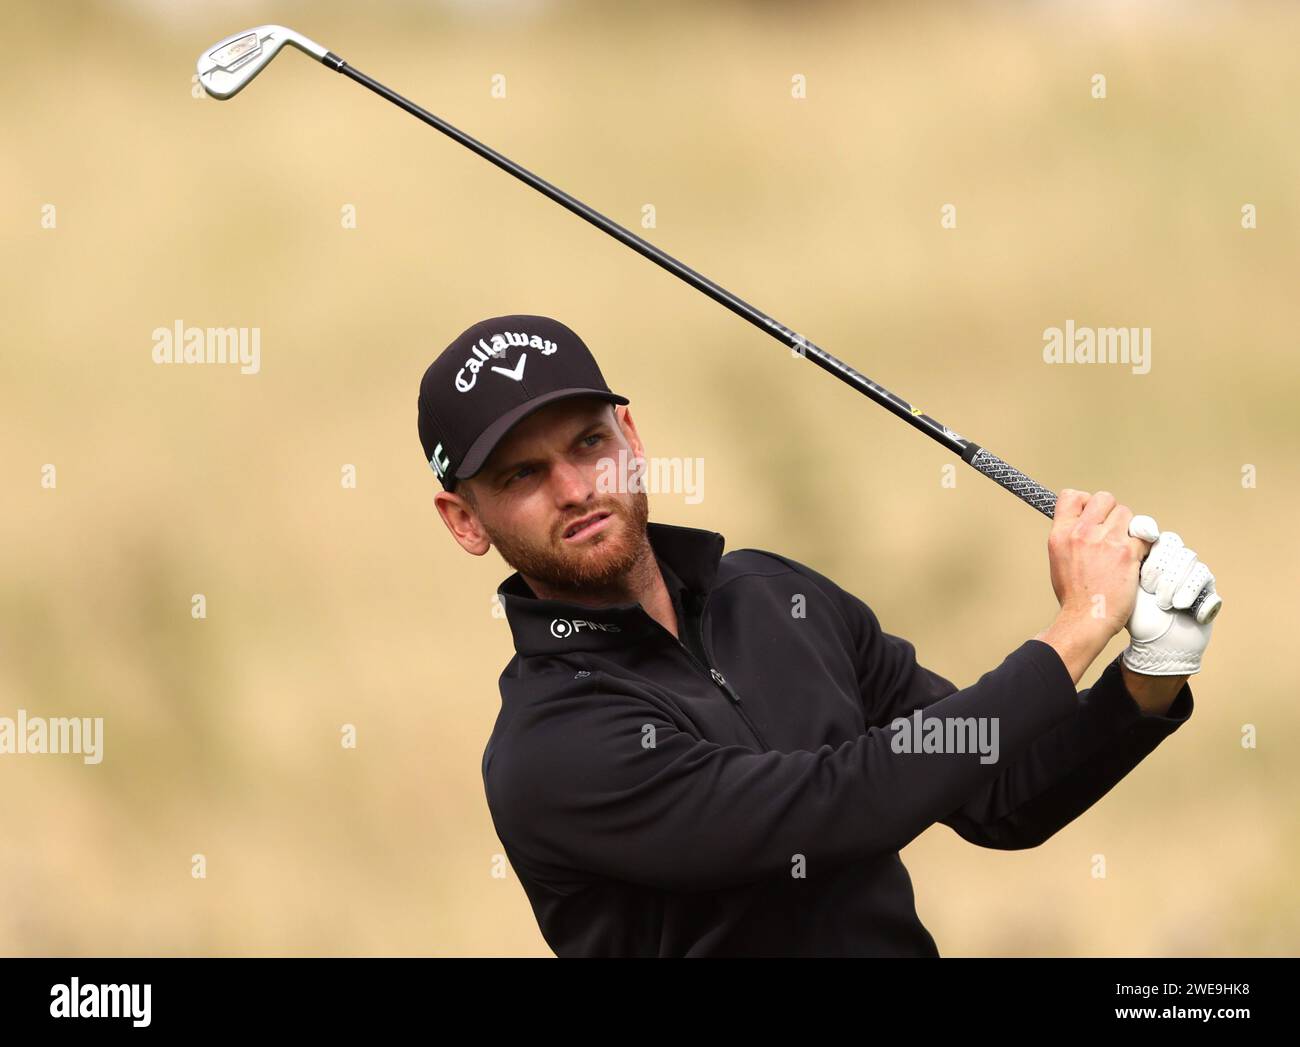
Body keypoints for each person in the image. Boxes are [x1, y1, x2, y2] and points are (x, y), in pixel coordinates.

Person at [418, 313, 1215, 957]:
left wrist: (1150, 671)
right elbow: (832, 809)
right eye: (521, 474)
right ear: (465, 521)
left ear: (630, 434)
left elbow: (998, 793)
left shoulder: (772, 596)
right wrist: (1077, 628)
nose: (575, 487)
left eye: (589, 442)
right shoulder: (553, 748)